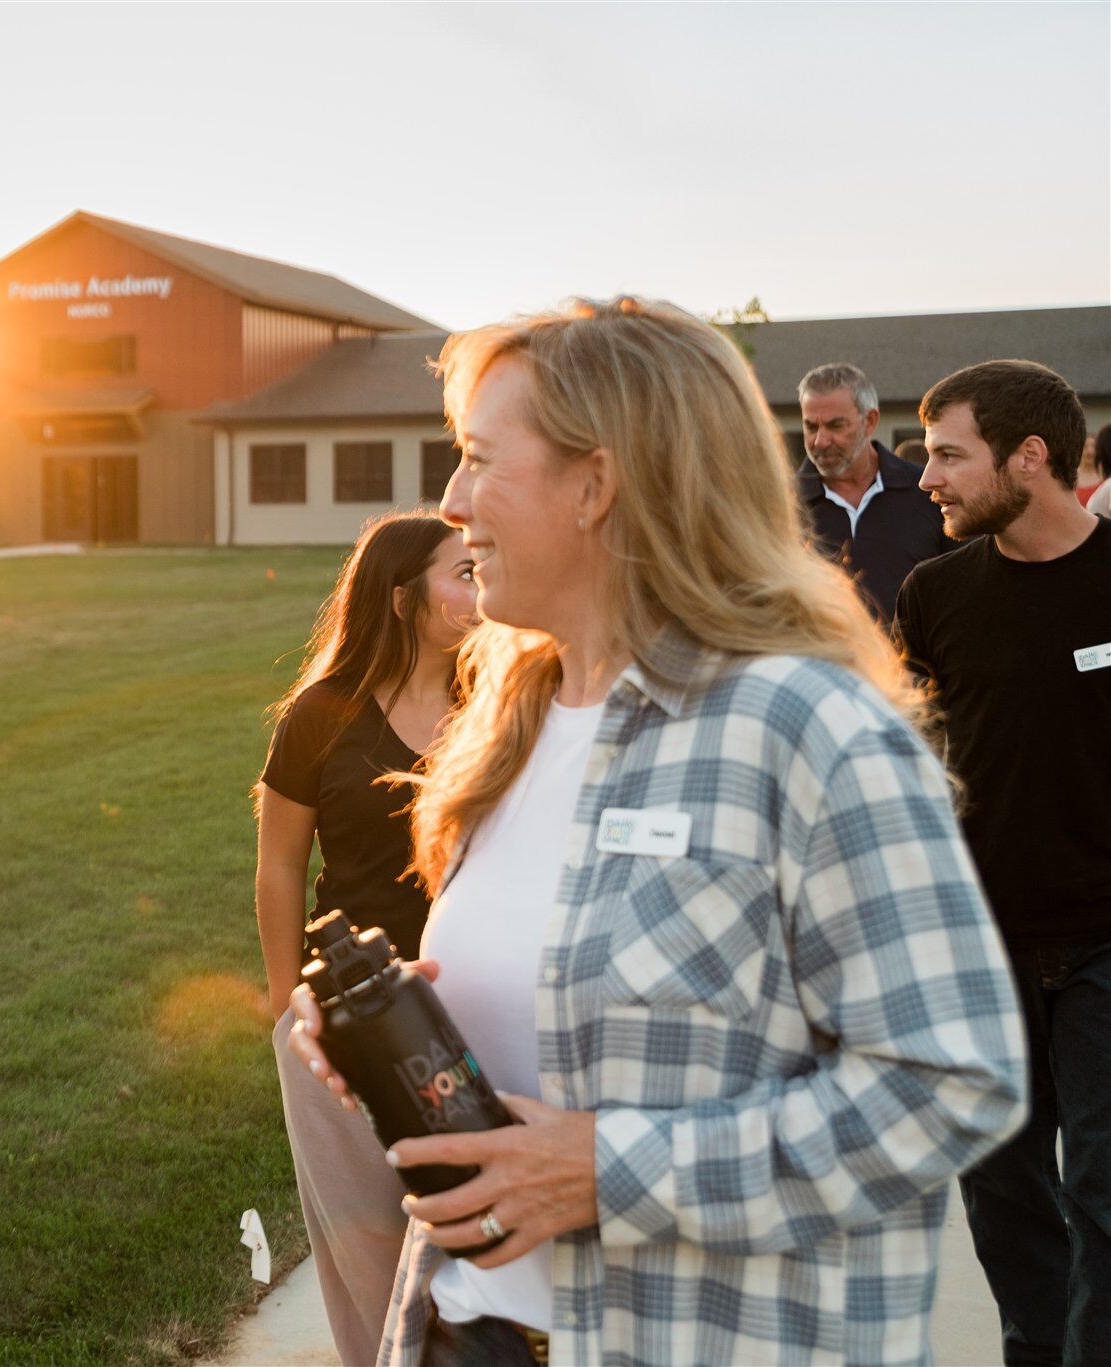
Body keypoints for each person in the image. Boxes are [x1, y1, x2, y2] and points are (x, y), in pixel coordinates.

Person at [288, 298, 1026, 1366]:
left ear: (596, 483)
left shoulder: (803, 728)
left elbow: (952, 1081)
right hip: (472, 1329)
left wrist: (608, 1169)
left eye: (477, 459)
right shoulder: (510, 723)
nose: (449, 502)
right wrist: (394, 1041)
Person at [897, 360, 1111, 1367]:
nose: (926, 473)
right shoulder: (932, 592)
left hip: (1106, 938)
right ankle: (1036, 1345)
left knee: (1103, 1185)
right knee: (996, 1177)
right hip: (977, 941)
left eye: (948, 453)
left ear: (1029, 457)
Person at [256, 510, 478, 1365]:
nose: (479, 587)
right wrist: (286, 1005)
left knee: (465, 1239)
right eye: (461, 573)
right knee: (366, 1251)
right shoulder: (319, 714)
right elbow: (279, 864)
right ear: (403, 598)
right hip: (341, 1020)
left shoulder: (499, 703)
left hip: (466, 1014)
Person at [795, 362, 950, 622]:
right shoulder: (778, 504)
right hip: (815, 660)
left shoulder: (929, 491)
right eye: (811, 427)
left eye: (835, 426)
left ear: (870, 421)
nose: (820, 441)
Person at [1077, 423, 1108, 507]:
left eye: (1093, 446)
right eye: (1085, 447)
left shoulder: (1106, 473)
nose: (1090, 451)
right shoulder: (1072, 476)